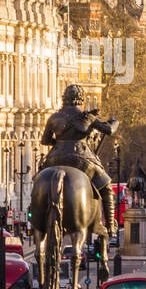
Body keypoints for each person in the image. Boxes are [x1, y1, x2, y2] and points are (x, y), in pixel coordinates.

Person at [39, 84, 119, 236]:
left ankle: (35, 210)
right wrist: (114, 122)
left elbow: (45, 140)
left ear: (65, 98)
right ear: (80, 99)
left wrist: (58, 144)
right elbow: (109, 130)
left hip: (55, 158)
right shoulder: (87, 117)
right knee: (107, 187)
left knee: (40, 178)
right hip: (81, 159)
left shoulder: (54, 117)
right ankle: (110, 226)